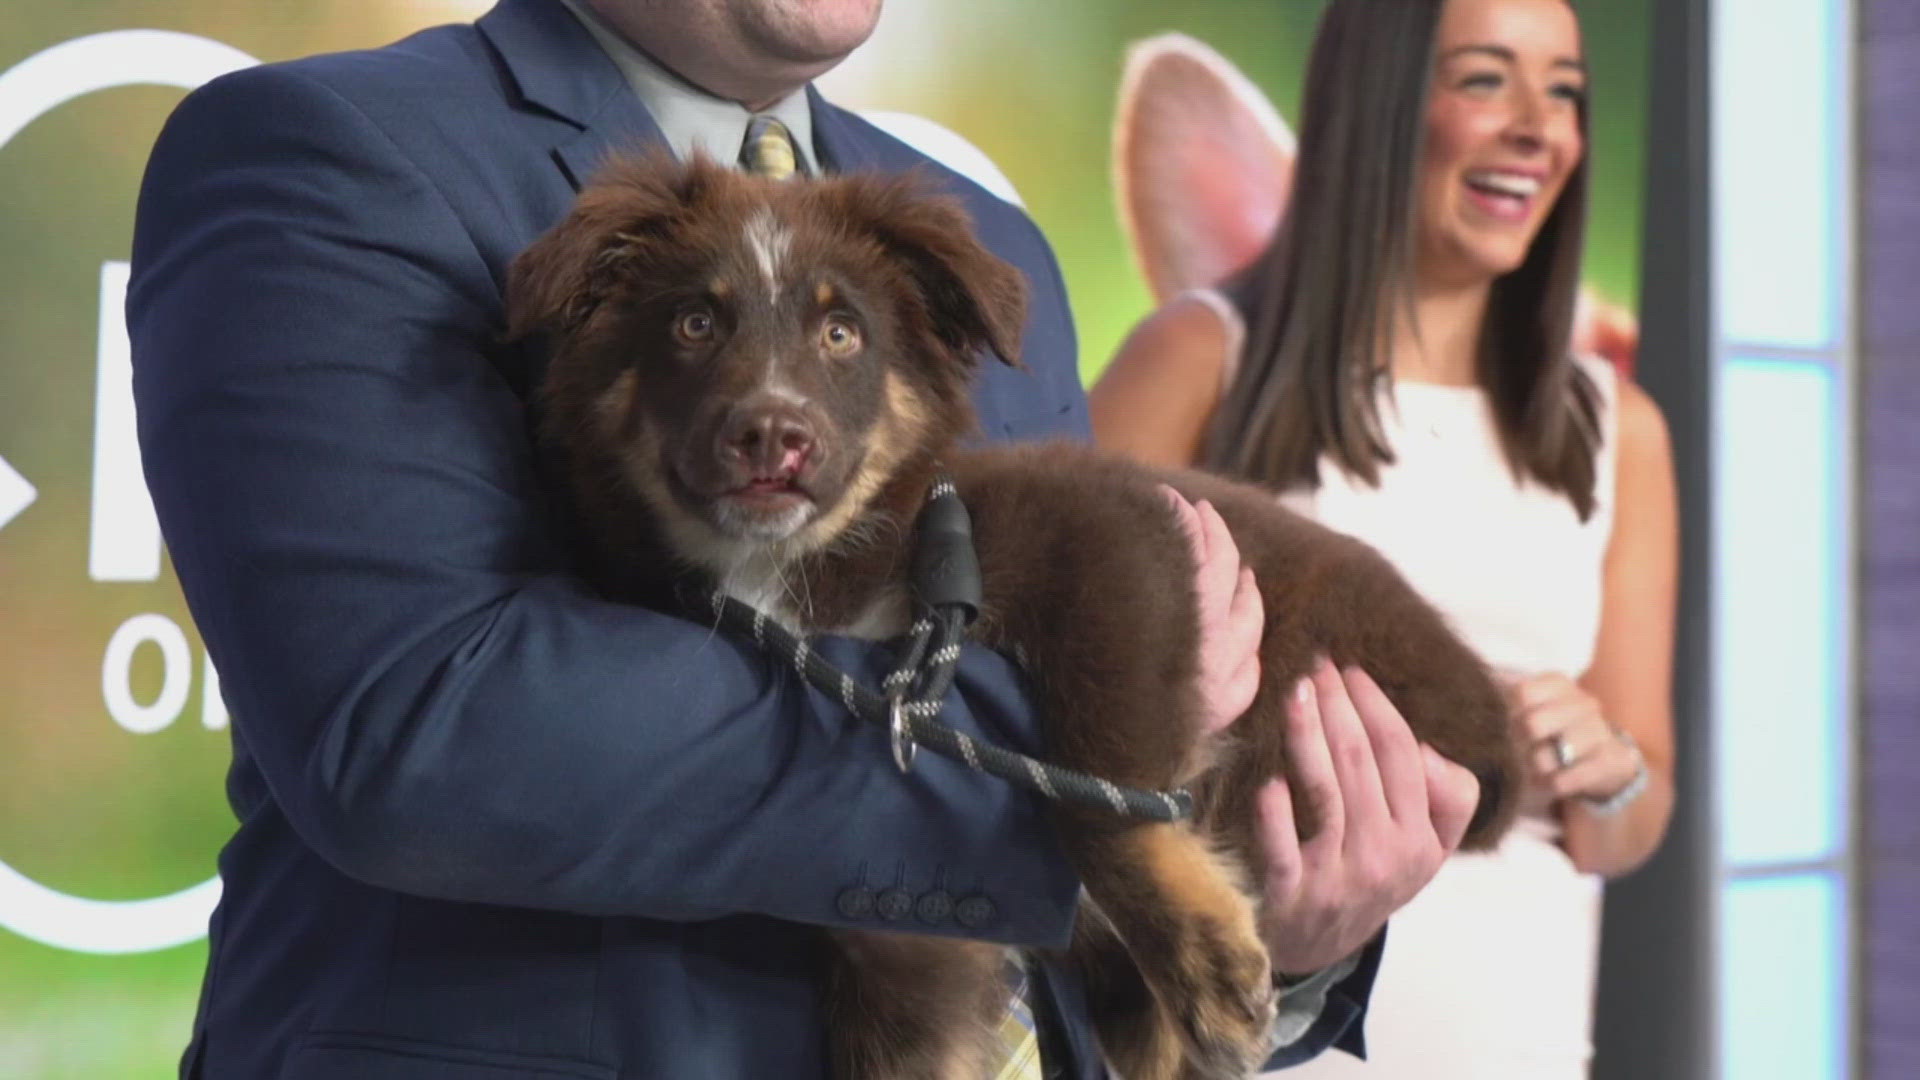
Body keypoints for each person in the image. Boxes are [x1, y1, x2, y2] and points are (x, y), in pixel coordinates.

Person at [126, 0, 1480, 1076]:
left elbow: (1030, 929)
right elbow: (421, 722)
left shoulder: (979, 242)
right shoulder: (331, 152)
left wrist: (1271, 933)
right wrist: (1100, 796)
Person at [1093, 0, 1678, 1075]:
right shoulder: (1202, 359)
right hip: (1255, 1029)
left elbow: (1629, 823)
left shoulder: (1619, 431)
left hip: (1525, 1038)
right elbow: (1050, 709)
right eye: (1486, 79)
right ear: (1379, 101)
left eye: (1565, 93)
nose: (1539, 129)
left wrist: (1608, 768)